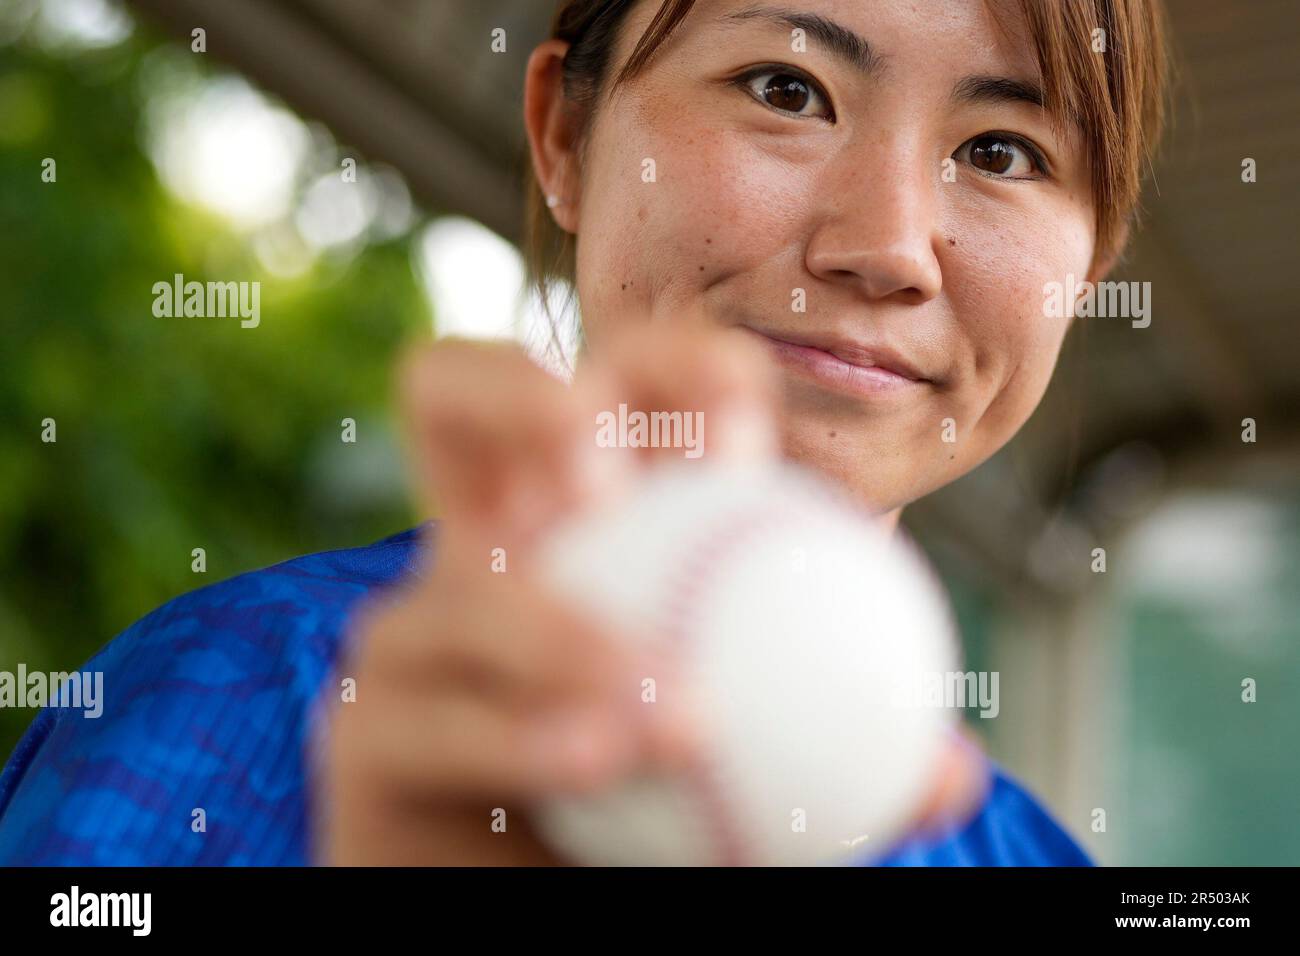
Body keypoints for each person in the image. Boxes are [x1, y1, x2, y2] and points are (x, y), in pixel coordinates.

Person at [0, 0, 1167, 866]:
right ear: (564, 135)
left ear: (1086, 270)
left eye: (1002, 154)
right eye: (785, 88)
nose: (889, 246)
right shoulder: (226, 700)